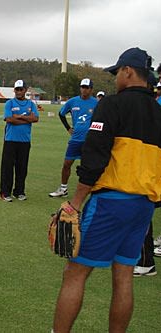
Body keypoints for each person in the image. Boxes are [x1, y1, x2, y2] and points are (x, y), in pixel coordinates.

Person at [52, 47, 161, 333]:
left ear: (127, 71)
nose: (115, 79)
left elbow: (95, 155)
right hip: (143, 206)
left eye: (117, 73)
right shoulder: (158, 109)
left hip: (111, 201)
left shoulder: (111, 105)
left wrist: (75, 202)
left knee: (74, 273)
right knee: (123, 275)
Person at [49, 78, 98, 198]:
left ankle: (92, 191)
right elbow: (61, 114)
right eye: (82, 87)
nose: (84, 90)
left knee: (88, 167)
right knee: (67, 164)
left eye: (86, 87)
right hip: (75, 139)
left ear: (91, 89)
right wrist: (68, 128)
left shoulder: (96, 103)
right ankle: (63, 189)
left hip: (89, 140)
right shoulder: (72, 101)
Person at [0, 80, 39, 202]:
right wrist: (27, 119)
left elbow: (36, 118)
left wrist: (20, 116)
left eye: (21, 89)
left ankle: (19, 191)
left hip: (25, 141)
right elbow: (10, 119)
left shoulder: (31, 104)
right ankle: (5, 192)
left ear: (25, 90)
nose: (19, 91)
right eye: (17, 89)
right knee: (7, 168)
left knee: (22, 168)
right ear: (14, 90)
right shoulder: (9, 103)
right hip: (11, 139)